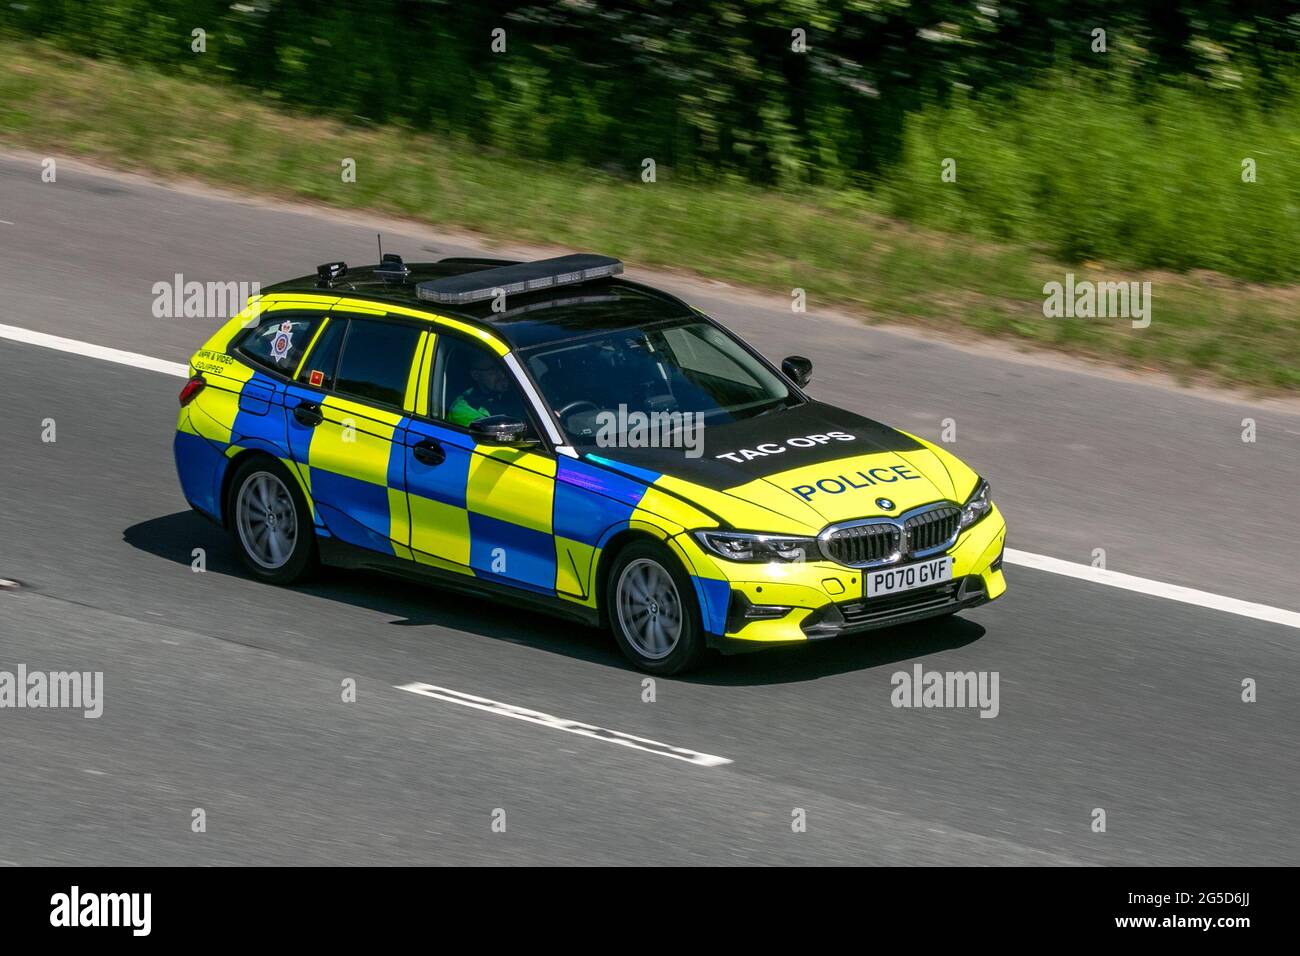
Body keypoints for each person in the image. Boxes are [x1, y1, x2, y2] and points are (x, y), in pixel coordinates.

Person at [448, 351, 527, 427]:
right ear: (476, 375)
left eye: (502, 367)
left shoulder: (520, 391)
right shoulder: (463, 409)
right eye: (493, 370)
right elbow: (494, 436)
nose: (502, 374)